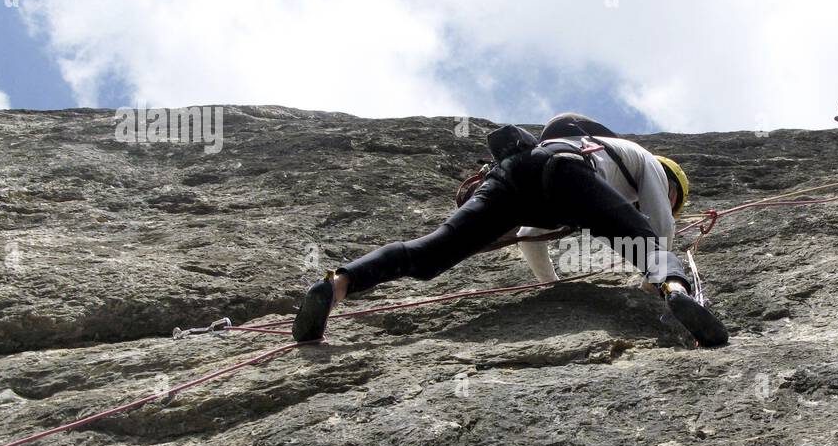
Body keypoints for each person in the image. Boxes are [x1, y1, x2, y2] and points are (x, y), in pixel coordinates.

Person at [292, 112, 728, 347]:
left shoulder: (586, 151)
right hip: (567, 174)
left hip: (514, 176)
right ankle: (676, 295)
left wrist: (552, 286)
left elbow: (528, 239)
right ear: (671, 179)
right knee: (647, 244)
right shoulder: (642, 158)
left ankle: (337, 283)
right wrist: (661, 274)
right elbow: (658, 225)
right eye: (676, 195)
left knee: (432, 253)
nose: (669, 202)